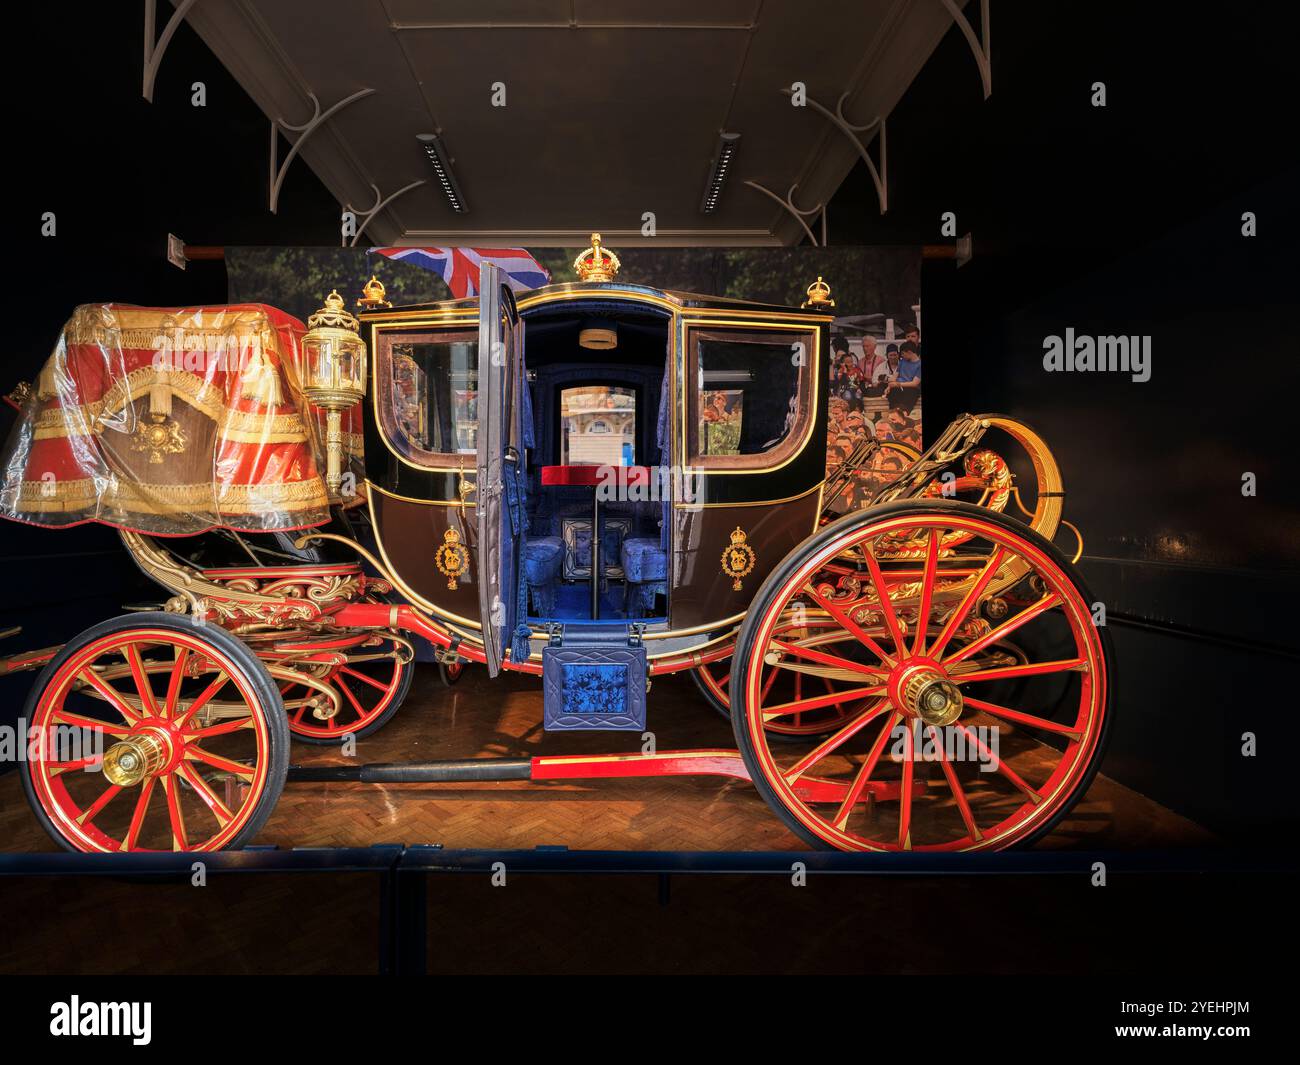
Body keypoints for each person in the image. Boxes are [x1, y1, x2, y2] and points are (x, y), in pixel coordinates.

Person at [886, 340, 921, 413]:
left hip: (911, 388)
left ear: (909, 352)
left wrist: (898, 384)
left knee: (910, 393)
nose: (901, 356)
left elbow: (914, 383)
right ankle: (894, 412)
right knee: (893, 391)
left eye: (903, 353)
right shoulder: (902, 361)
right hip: (899, 386)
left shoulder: (919, 365)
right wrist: (889, 386)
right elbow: (894, 377)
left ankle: (904, 413)